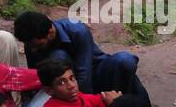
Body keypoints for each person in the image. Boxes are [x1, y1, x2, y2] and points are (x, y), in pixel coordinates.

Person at [12, 11, 146, 98]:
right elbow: (36, 76)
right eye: (31, 46)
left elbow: (84, 72)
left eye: (38, 46)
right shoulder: (32, 43)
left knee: (124, 61)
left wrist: (85, 105)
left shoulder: (77, 31)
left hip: (96, 74)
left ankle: (127, 102)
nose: (34, 50)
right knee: (58, 60)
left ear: (50, 32)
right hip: (64, 86)